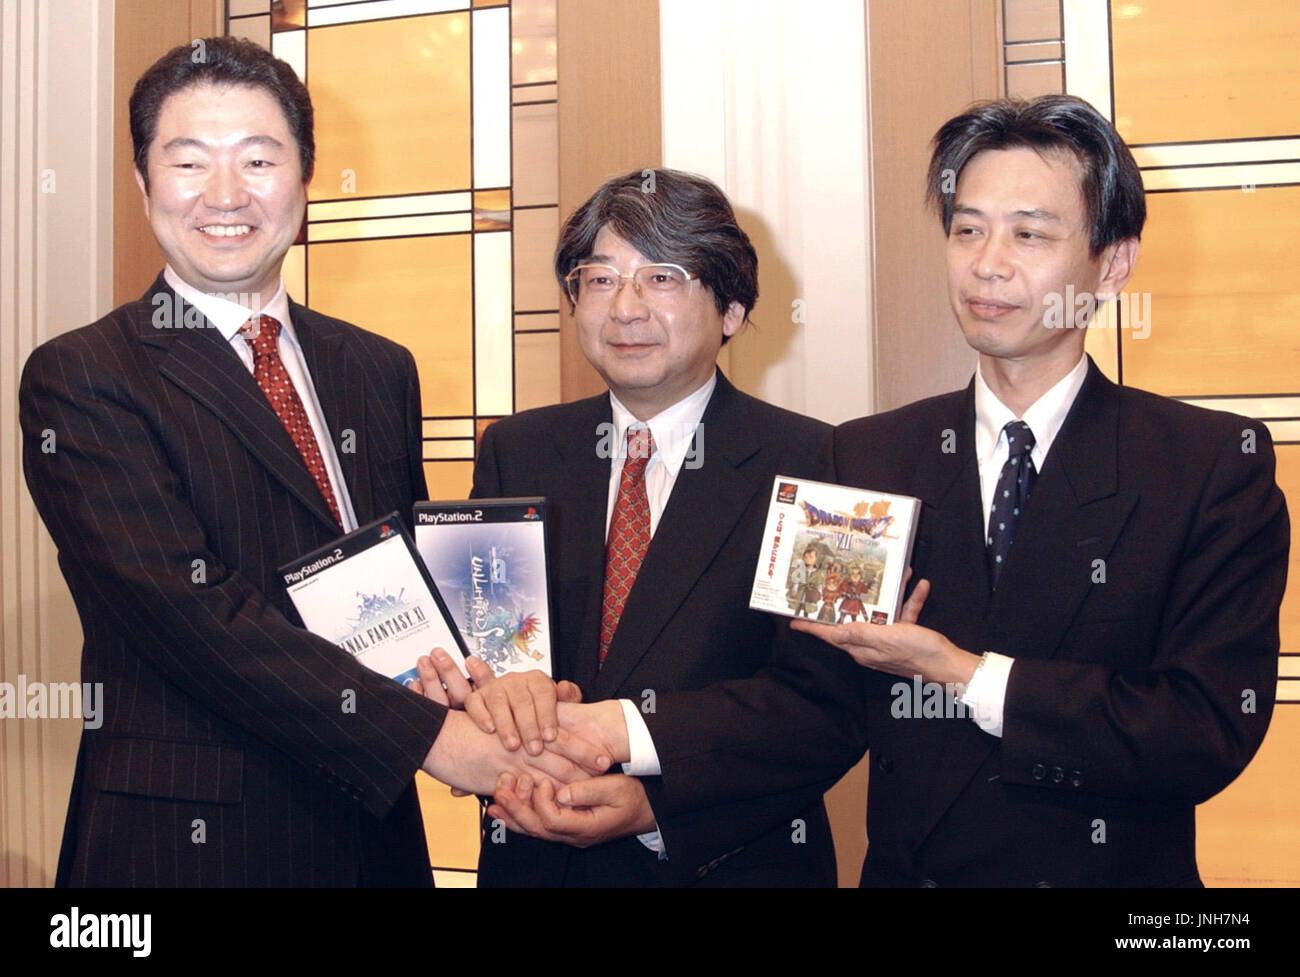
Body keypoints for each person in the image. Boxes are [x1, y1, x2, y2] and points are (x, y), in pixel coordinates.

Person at [19, 37, 597, 888]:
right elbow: (190, 616)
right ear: (143, 185)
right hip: (192, 836)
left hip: (372, 830)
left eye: (259, 158)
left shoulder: (376, 365)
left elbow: (397, 594)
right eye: (189, 162)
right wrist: (438, 740)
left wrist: (500, 689)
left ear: (305, 180)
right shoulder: (83, 375)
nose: (226, 194)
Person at [793, 95, 1289, 886]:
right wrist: (633, 776)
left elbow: (1203, 731)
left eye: (1029, 232)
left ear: (1114, 262)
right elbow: (810, 705)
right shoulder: (868, 453)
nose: (988, 262)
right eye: (967, 228)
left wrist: (964, 673)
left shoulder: (1208, 465)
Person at [422, 168, 867, 886]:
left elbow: (826, 708)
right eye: (598, 280)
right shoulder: (516, 450)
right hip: (533, 861)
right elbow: (487, 650)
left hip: (724, 863)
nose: (625, 309)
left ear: (731, 309)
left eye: (662, 278)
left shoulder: (824, 463)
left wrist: (649, 801)